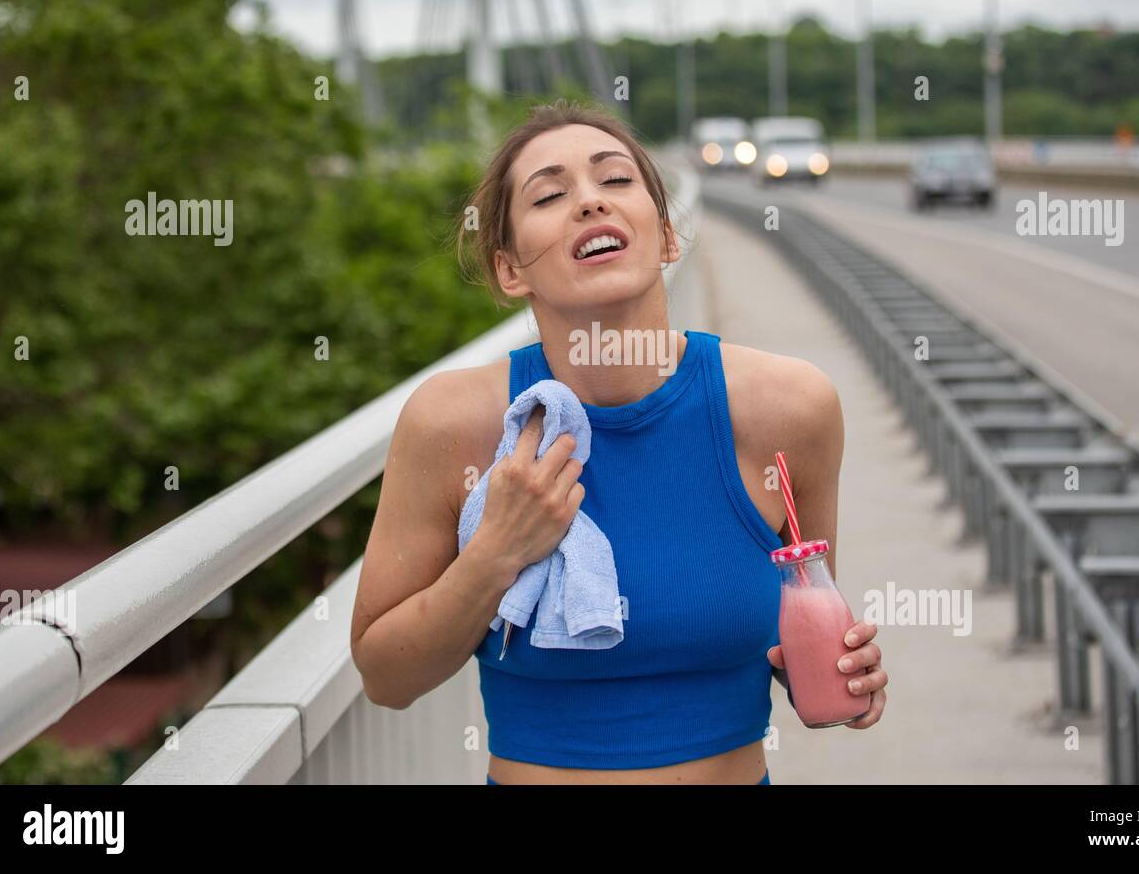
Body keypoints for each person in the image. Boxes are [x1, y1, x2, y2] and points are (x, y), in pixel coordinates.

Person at [350, 99, 887, 784]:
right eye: (549, 193)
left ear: (665, 235)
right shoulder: (456, 423)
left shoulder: (788, 409)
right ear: (511, 269)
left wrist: (842, 675)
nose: (588, 203)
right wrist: (493, 556)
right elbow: (385, 678)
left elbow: (801, 634)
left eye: (615, 181)